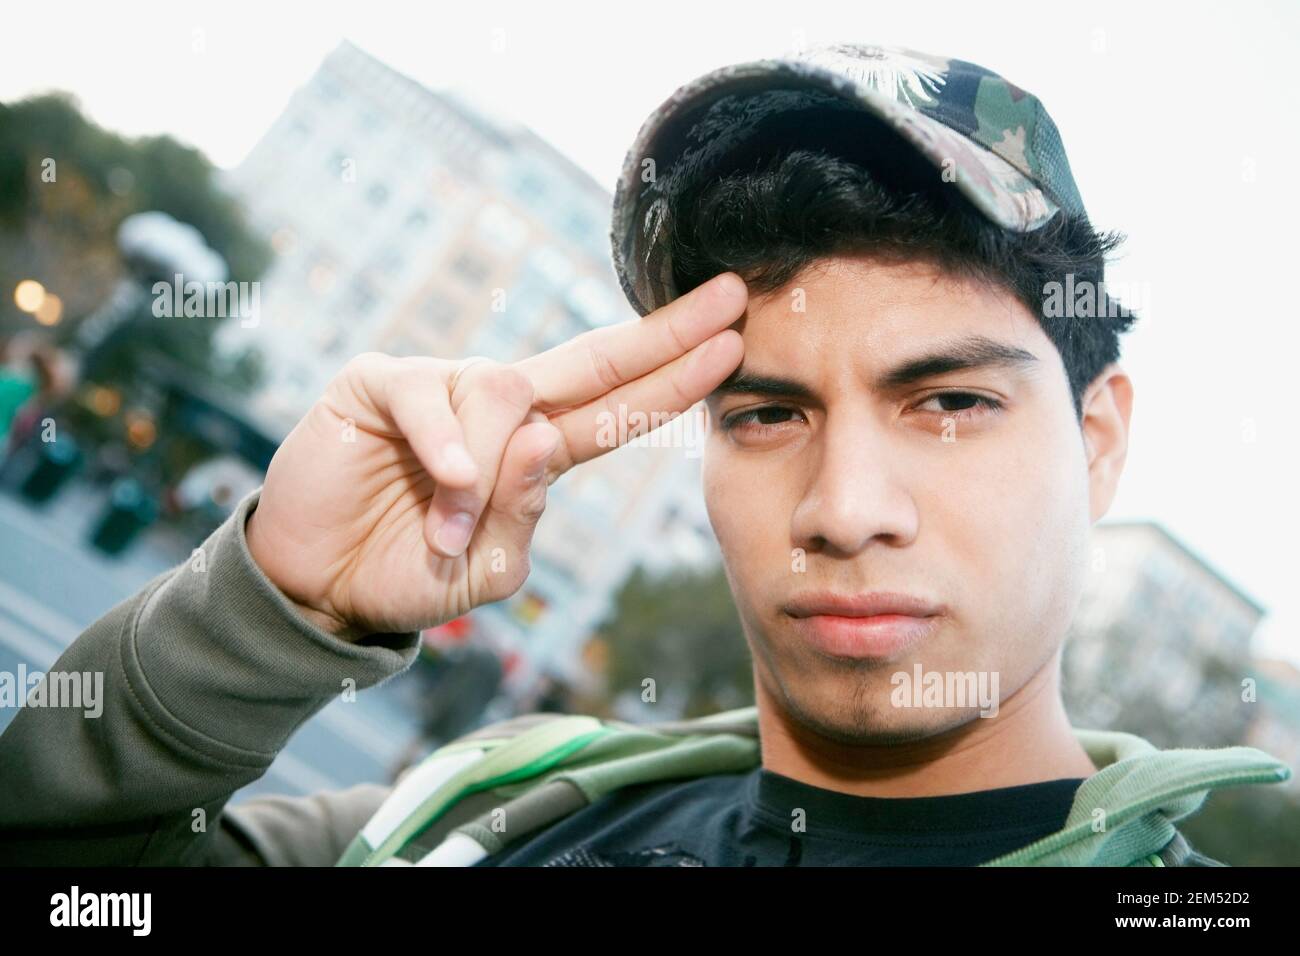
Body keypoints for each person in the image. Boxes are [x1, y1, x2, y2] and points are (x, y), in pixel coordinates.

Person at [0, 43, 1290, 867]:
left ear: (1098, 440)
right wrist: (265, 614)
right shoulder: (483, 821)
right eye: (766, 415)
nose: (844, 510)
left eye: (948, 403)